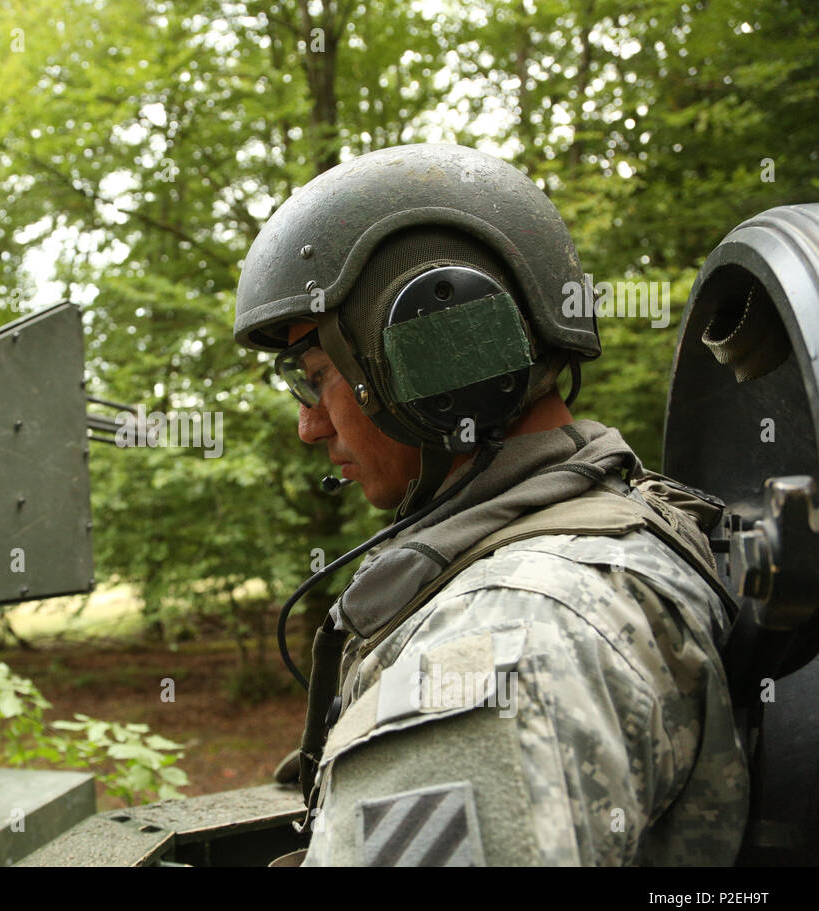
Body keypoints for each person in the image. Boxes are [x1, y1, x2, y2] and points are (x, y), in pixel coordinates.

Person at [234, 143, 749, 866]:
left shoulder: (506, 644)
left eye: (316, 375)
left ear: (436, 362)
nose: (308, 425)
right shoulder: (619, 522)